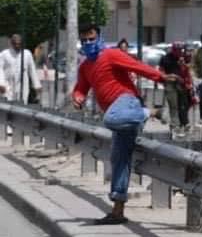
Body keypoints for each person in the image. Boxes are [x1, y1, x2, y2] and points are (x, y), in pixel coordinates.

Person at [72, 24, 176, 224]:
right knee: (119, 159)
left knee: (109, 119)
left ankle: (149, 112)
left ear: (100, 38)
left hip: (126, 103)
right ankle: (118, 211)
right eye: (84, 40)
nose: (88, 43)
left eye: (91, 39)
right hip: (121, 117)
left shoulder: (111, 55)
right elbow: (80, 89)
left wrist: (161, 77)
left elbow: (136, 66)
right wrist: (77, 97)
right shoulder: (85, 67)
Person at [159, 42, 192, 137]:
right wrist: (168, 77)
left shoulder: (183, 58)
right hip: (170, 83)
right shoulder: (166, 58)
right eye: (177, 50)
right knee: (173, 105)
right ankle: (175, 126)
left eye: (180, 50)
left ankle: (184, 123)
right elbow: (161, 71)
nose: (179, 52)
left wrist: (183, 64)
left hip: (181, 83)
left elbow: (188, 70)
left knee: (183, 105)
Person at [0, 34, 41, 104]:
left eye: (19, 44)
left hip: (23, 85)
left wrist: (37, 85)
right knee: (7, 104)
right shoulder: (4, 54)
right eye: (15, 44)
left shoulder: (27, 54)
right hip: (8, 84)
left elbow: (32, 70)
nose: (17, 46)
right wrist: (1, 83)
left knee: (22, 104)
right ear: (11, 43)